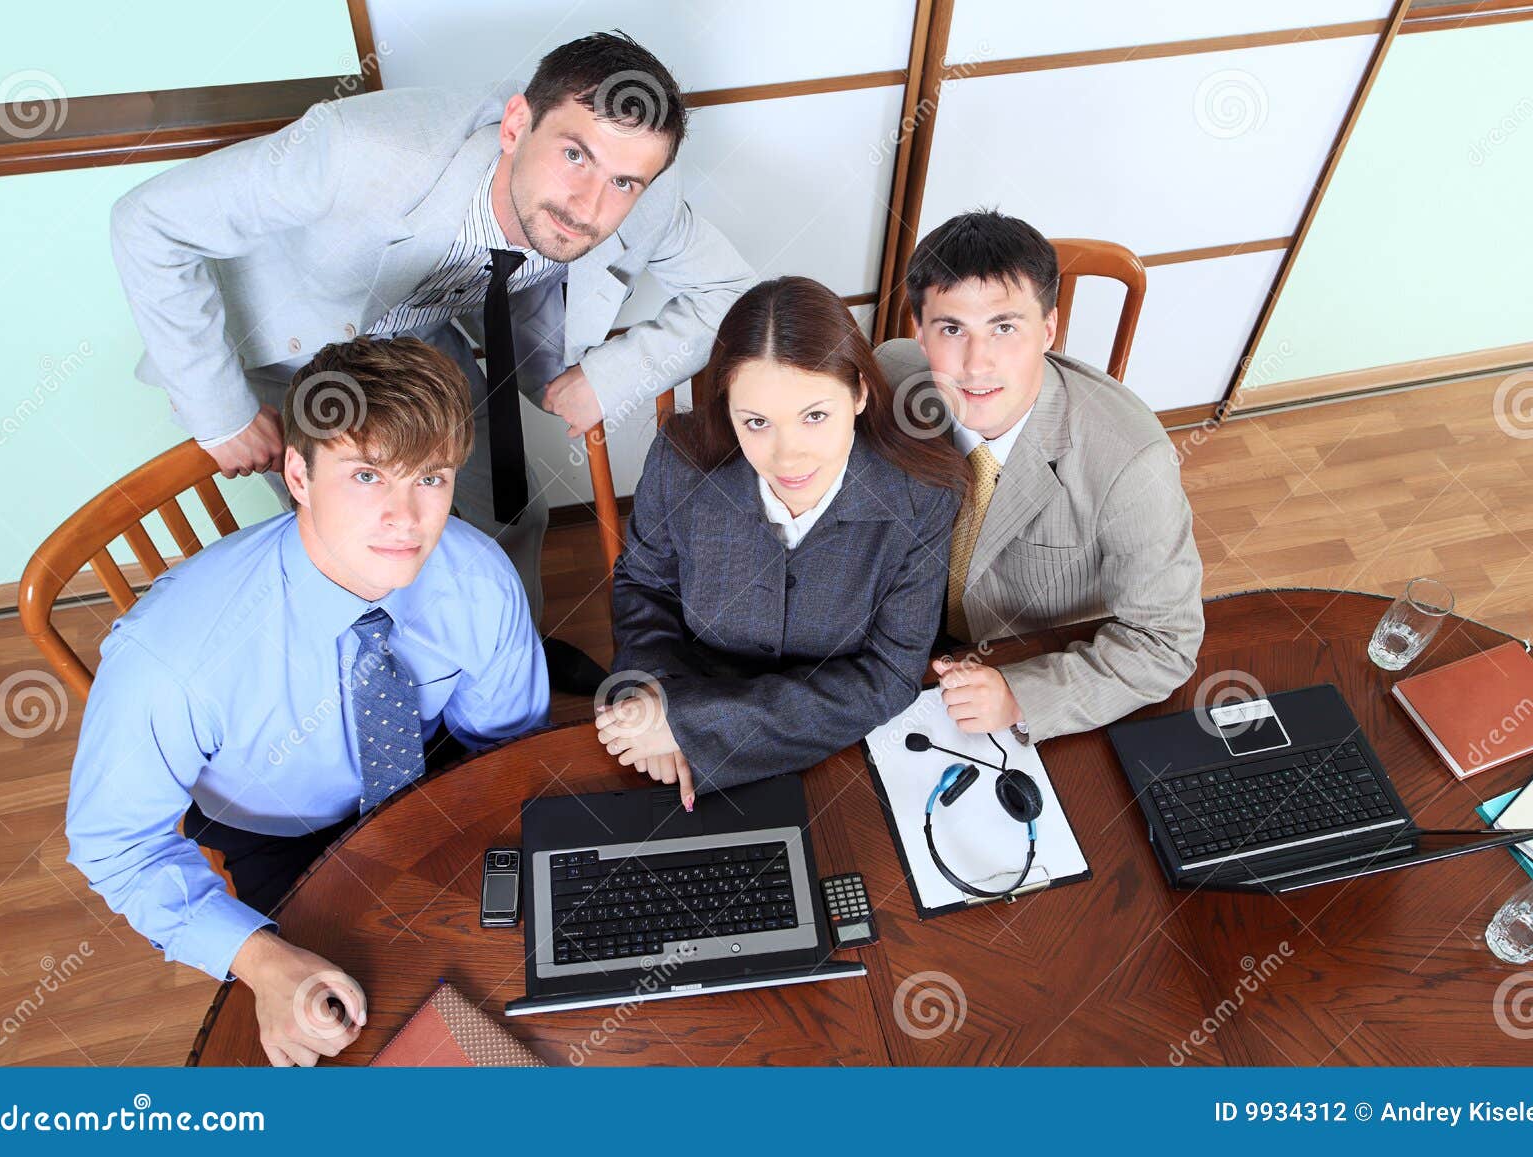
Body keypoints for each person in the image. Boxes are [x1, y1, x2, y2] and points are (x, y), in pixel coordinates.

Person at [109, 31, 757, 695]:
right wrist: (221, 413)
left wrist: (608, 376)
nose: (589, 204)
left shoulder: (645, 198)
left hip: (418, 336)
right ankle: (408, 707)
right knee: (379, 544)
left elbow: (732, 292)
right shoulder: (356, 151)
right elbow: (146, 222)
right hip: (291, 351)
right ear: (514, 125)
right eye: (573, 155)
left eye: (623, 181)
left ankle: (508, 663)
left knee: (511, 517)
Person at [66, 337, 548, 1067]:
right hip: (280, 835)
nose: (405, 518)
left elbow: (505, 753)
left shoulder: (476, 577)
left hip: (435, 779)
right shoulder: (172, 657)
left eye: (430, 478)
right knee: (356, 1039)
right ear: (298, 471)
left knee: (531, 995)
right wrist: (259, 959)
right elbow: (116, 845)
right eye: (365, 475)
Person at [594, 277, 967, 805]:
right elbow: (645, 588)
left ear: (859, 392)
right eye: (756, 422)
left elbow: (889, 674)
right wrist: (655, 695)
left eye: (815, 415)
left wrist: (692, 724)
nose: (788, 457)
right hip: (676, 744)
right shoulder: (679, 463)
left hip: (841, 746)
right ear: (726, 409)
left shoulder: (922, 494)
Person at [875, 210, 1204, 739]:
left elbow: (1165, 641)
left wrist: (1018, 696)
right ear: (919, 333)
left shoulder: (1130, 461)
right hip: (899, 652)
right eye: (952, 328)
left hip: (1028, 662)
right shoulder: (892, 377)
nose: (976, 364)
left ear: (1049, 329)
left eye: (1004, 327)